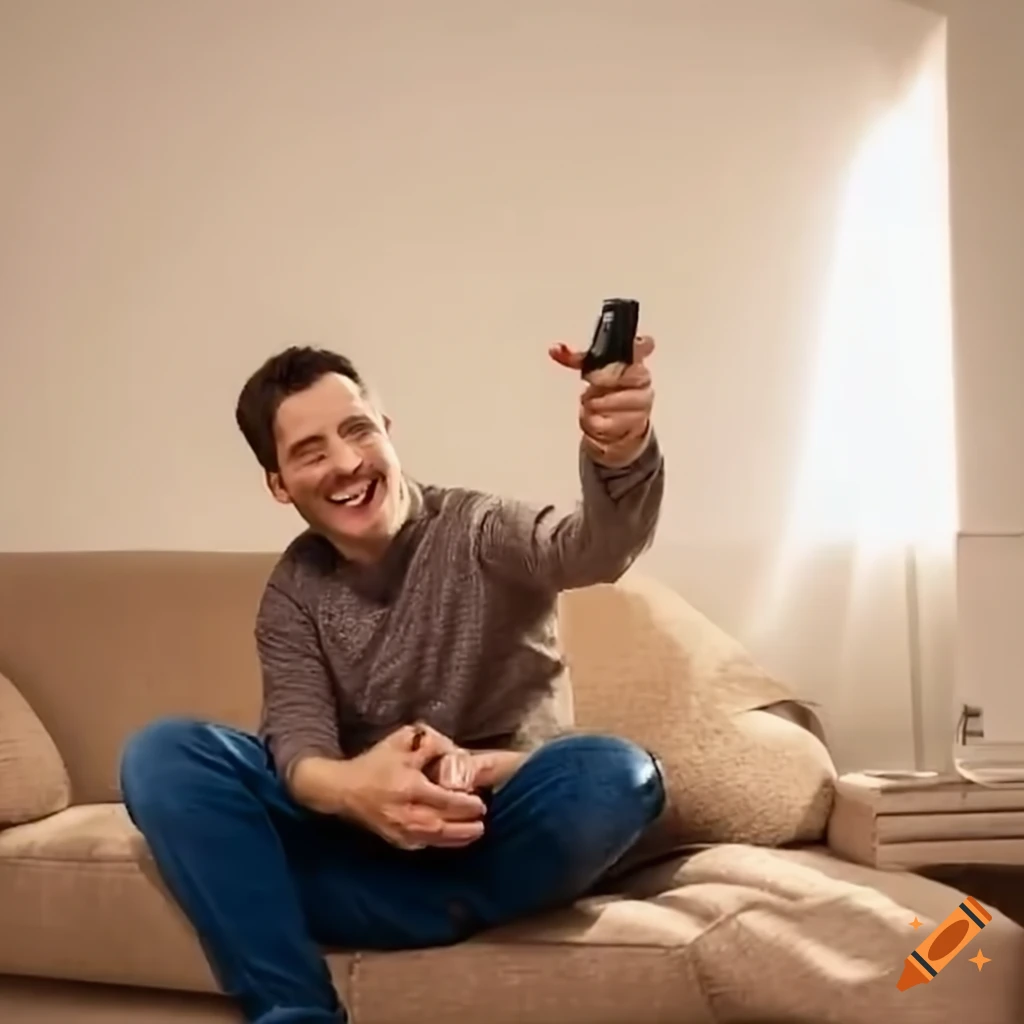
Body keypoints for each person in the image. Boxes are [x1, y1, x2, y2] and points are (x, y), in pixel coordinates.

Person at [120, 332, 667, 1024]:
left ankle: (404, 904)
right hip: (363, 844)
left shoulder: (481, 529)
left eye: (357, 430)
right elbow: (298, 748)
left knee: (620, 774)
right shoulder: (293, 594)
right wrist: (359, 787)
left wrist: (620, 452)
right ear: (279, 484)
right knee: (164, 754)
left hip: (493, 828)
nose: (346, 462)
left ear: (387, 430)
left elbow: (596, 548)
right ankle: (296, 1008)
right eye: (310, 451)